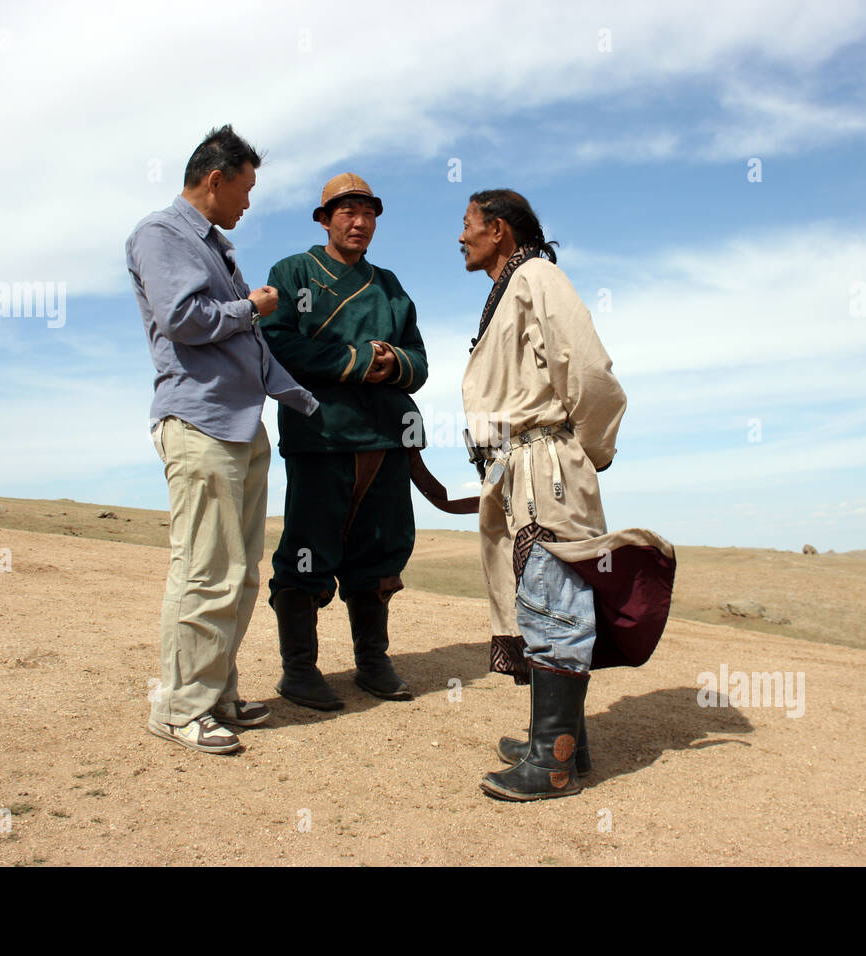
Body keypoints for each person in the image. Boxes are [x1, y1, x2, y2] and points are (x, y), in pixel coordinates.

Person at [458, 189, 677, 800]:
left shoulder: (539, 277)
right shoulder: (512, 288)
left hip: (545, 461)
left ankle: (552, 766)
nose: (461, 237)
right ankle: (560, 742)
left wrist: (587, 451)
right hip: (518, 464)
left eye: (468, 225)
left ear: (498, 230)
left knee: (555, 595)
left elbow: (590, 375)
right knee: (536, 597)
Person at [126, 125, 318, 755]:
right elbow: (184, 320)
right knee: (205, 570)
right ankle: (180, 709)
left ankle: (217, 694)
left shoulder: (215, 246)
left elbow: (247, 344)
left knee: (238, 574)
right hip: (199, 420)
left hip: (240, 423)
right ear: (215, 179)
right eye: (245, 187)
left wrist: (299, 396)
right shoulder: (162, 234)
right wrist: (253, 307)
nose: (248, 201)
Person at [259, 173, 429, 711]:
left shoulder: (390, 285)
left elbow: (419, 361)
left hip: (384, 439)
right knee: (308, 549)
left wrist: (393, 362)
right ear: (325, 218)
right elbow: (278, 343)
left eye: (369, 213)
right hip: (321, 435)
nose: (359, 222)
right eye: (347, 212)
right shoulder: (294, 272)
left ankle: (372, 662)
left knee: (380, 549)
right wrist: (358, 362)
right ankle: (299, 670)